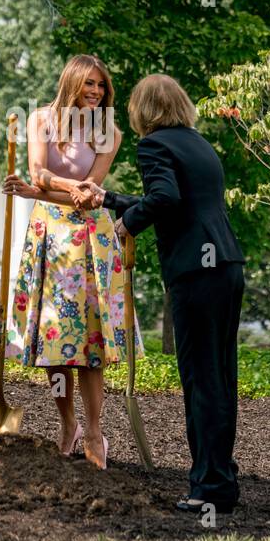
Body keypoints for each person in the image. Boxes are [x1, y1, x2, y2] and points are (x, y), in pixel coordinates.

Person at [74, 74, 245, 513]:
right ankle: (222, 476)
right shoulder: (198, 143)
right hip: (226, 264)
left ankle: (209, 487)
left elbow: (164, 198)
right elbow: (176, 198)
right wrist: (110, 197)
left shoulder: (154, 145)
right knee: (221, 376)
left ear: (143, 109)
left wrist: (127, 223)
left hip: (194, 272)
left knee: (200, 379)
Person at [2, 55, 141, 470]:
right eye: (90, 85)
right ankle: (68, 425)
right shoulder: (42, 119)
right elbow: (38, 170)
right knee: (56, 343)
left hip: (91, 240)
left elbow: (91, 194)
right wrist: (51, 186)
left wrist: (40, 191)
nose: (96, 92)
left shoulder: (109, 134)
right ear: (72, 83)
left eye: (102, 86)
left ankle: (96, 430)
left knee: (91, 344)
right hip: (51, 239)